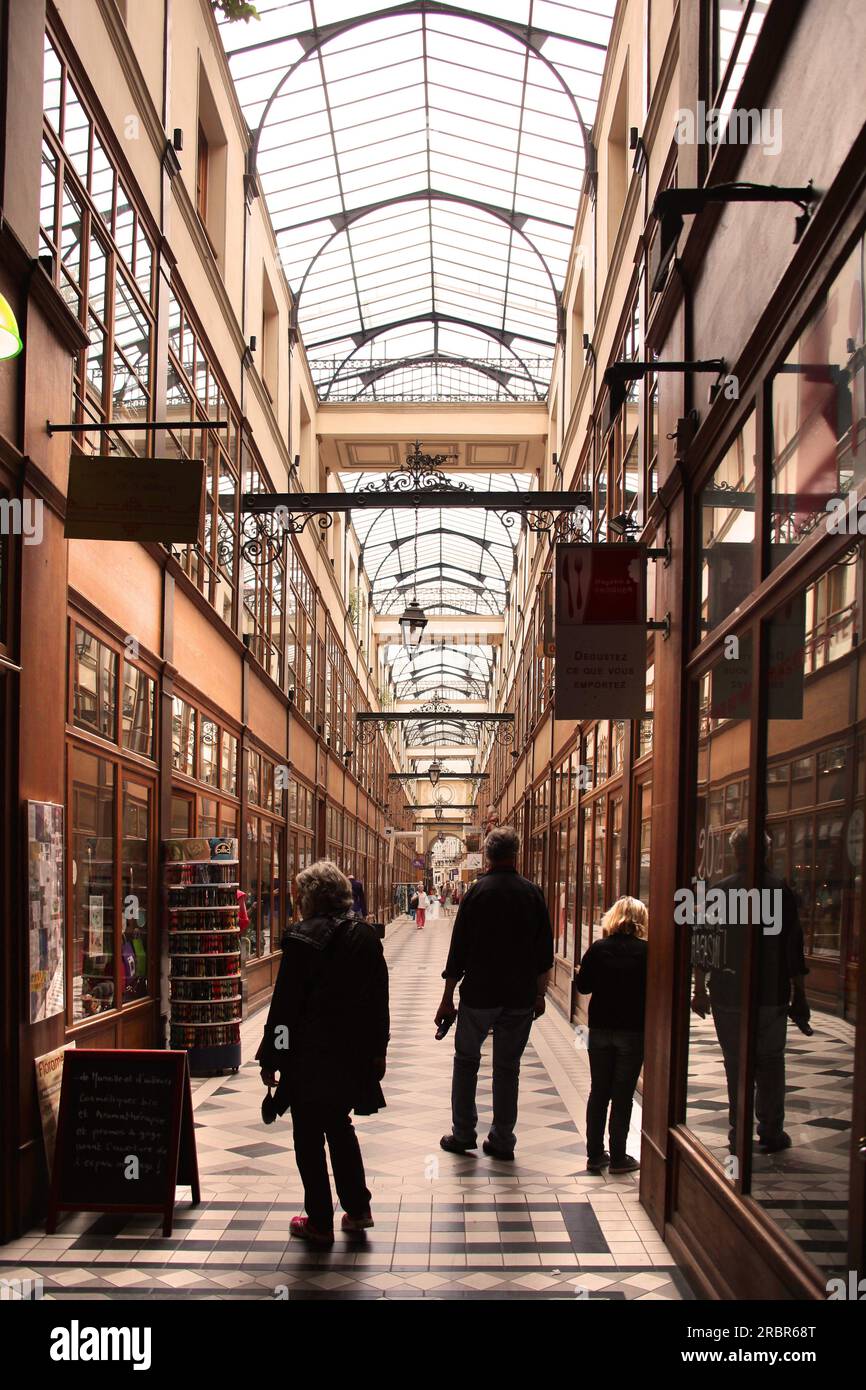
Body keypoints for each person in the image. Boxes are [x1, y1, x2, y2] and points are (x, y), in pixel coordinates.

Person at [256, 860, 389, 1245]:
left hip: (310, 1056)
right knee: (339, 1125)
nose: (297, 902)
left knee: (308, 1136)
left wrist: (272, 1057)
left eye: (300, 896)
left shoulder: (300, 938)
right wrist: (378, 1050)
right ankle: (358, 1209)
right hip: (351, 1053)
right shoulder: (365, 936)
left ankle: (318, 1221)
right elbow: (378, 1000)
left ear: (313, 898)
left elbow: (285, 1006)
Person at [435, 826, 553, 1161]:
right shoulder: (533, 894)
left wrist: (447, 998)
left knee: (466, 1061)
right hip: (518, 997)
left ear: (487, 855)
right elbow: (544, 953)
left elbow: (458, 951)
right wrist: (540, 994)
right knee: (507, 1068)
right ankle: (502, 1139)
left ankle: (463, 1133)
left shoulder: (476, 894)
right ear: (516, 854)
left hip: (479, 995)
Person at [691, 824, 809, 1154]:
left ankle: (737, 1131)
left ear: (736, 852)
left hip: (728, 993)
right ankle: (770, 1130)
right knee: (771, 1062)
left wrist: (699, 989)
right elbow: (793, 948)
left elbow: (704, 944)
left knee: (735, 1063)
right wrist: (799, 993)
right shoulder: (780, 891)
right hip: (771, 994)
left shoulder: (721, 891)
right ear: (766, 852)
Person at [576, 896, 648, 1175]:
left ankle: (595, 1155)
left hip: (601, 1030)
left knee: (599, 1092)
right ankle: (618, 1156)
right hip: (632, 1031)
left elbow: (583, 987)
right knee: (622, 1095)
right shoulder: (647, 952)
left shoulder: (598, 949)